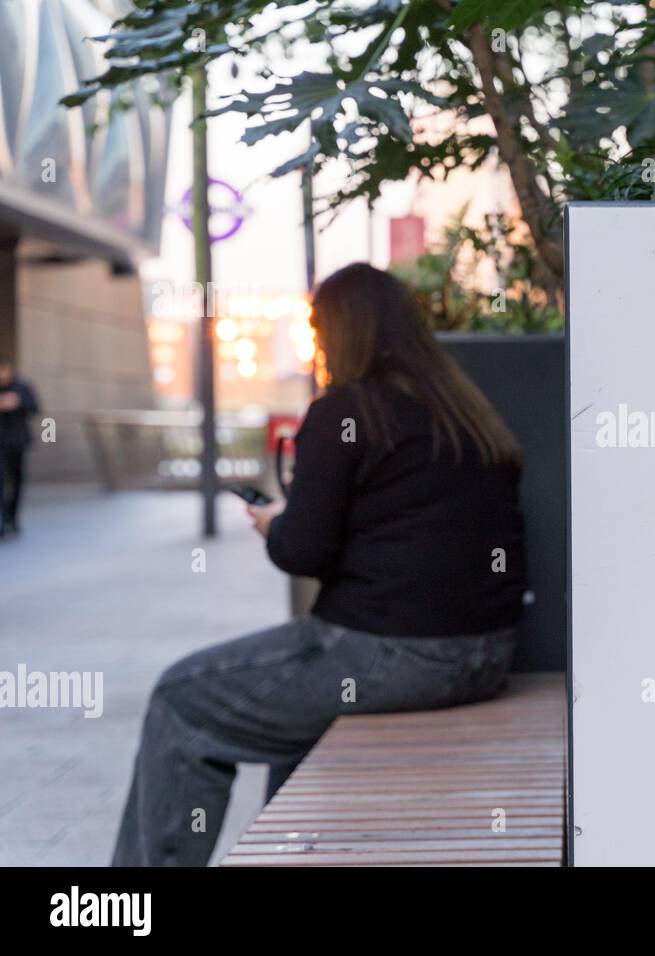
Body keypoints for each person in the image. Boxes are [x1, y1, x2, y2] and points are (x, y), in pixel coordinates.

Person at [111, 263, 527, 866]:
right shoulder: (466, 412)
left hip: (395, 655)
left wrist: (273, 522)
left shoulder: (348, 412)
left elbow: (301, 552)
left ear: (340, 331)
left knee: (182, 701)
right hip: (485, 655)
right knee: (288, 712)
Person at [0, 354, 40, 538]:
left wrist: (17, 403)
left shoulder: (22, 387)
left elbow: (35, 408)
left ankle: (12, 518)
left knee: (16, 481)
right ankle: (3, 519)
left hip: (17, 442)